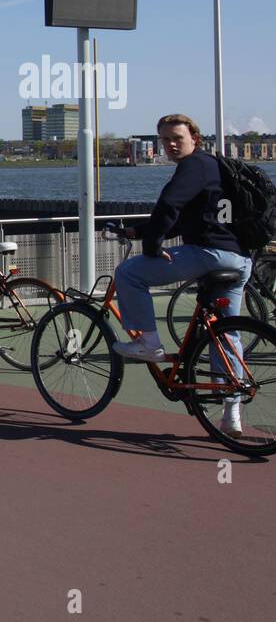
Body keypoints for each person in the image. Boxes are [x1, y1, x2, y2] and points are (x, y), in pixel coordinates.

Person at [112, 113, 252, 433]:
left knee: (129, 273)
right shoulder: (215, 167)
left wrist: (150, 245)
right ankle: (231, 413)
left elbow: (168, 205)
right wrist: (137, 231)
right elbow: (182, 220)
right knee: (225, 332)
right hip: (238, 259)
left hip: (209, 255)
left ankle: (149, 342)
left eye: (177, 137)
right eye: (165, 140)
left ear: (195, 138)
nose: (171, 144)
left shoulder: (193, 166)